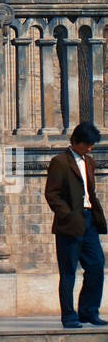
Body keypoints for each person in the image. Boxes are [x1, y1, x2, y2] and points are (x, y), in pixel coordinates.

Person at [45, 123, 107, 330]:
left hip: (89, 221)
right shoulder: (60, 162)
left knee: (97, 265)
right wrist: (67, 215)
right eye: (87, 144)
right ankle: (69, 315)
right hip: (69, 224)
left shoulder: (89, 162)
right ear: (76, 142)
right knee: (69, 271)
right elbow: (52, 194)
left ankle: (89, 311)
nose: (90, 148)